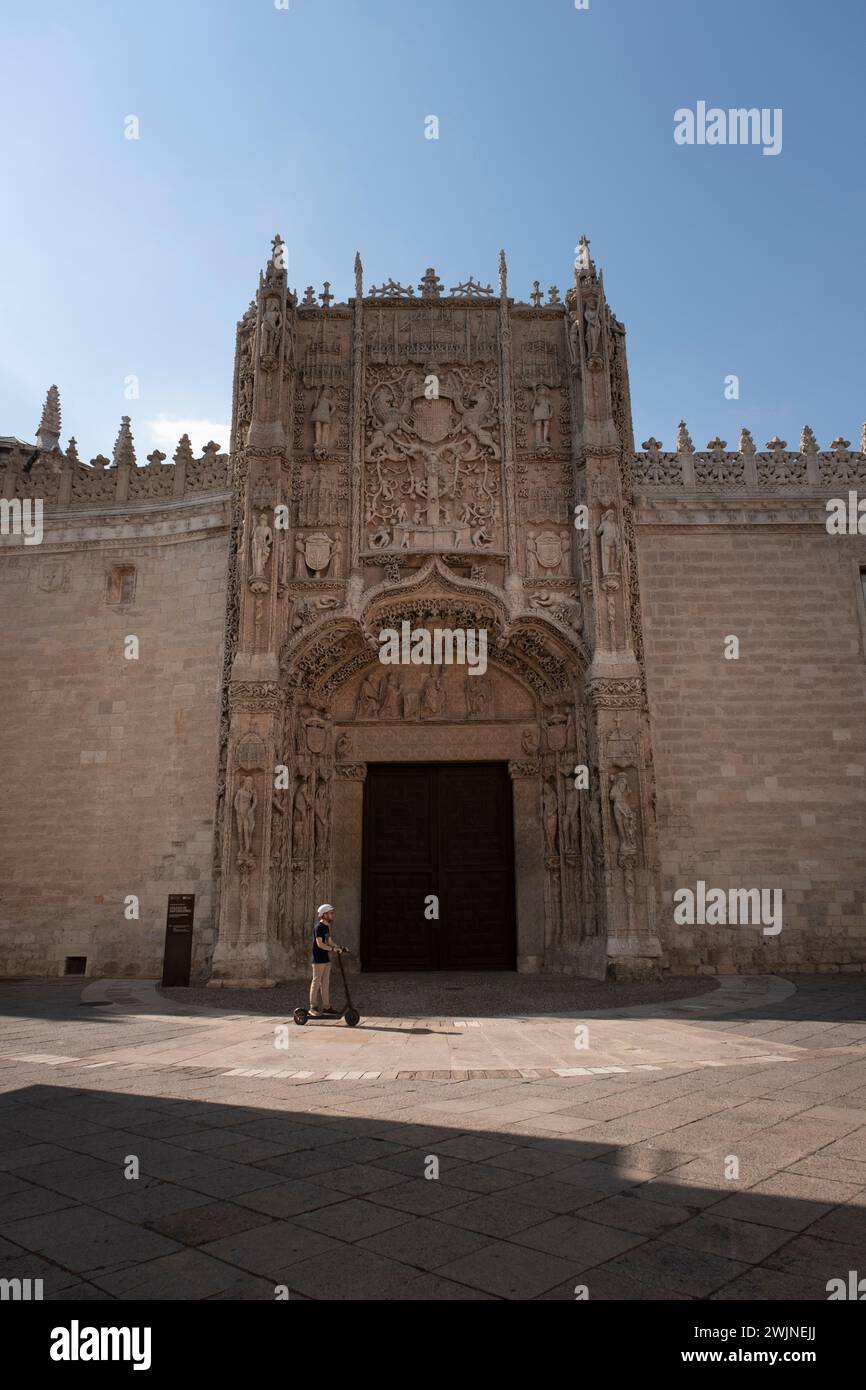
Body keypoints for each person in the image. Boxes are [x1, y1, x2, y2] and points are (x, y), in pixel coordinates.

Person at [309, 903, 345, 1017]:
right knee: (316, 983)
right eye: (330, 913)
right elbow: (320, 944)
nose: (332, 915)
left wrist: (340, 948)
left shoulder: (326, 927)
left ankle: (326, 1007)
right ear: (324, 914)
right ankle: (312, 1007)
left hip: (326, 959)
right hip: (318, 960)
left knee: (325, 984)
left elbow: (329, 941)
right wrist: (333, 949)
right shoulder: (318, 927)